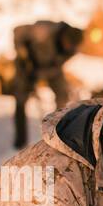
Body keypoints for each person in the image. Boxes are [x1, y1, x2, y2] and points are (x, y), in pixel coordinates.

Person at [11, 20, 85, 150]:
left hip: (51, 68)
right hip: (27, 65)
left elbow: (60, 63)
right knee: (20, 99)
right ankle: (20, 141)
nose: (68, 47)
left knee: (63, 94)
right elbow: (18, 30)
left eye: (71, 46)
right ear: (64, 37)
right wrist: (23, 53)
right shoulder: (45, 31)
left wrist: (44, 73)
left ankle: (59, 132)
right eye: (67, 43)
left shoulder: (73, 49)